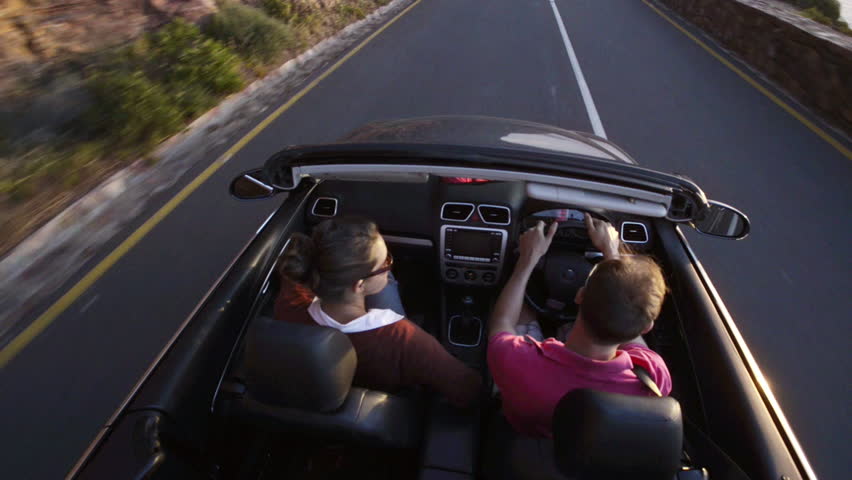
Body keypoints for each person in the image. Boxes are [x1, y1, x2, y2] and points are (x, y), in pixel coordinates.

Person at [487, 214, 672, 437]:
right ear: (647, 327)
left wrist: (526, 261)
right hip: (581, 451)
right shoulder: (652, 377)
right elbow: (629, 313)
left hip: (526, 436)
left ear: (580, 295)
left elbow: (502, 322)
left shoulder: (515, 359)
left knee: (524, 308)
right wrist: (612, 255)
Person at [275, 216, 482, 407]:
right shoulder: (404, 339)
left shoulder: (289, 304)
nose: (388, 266)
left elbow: (296, 274)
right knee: (389, 283)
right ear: (359, 285)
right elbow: (469, 390)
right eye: (385, 264)